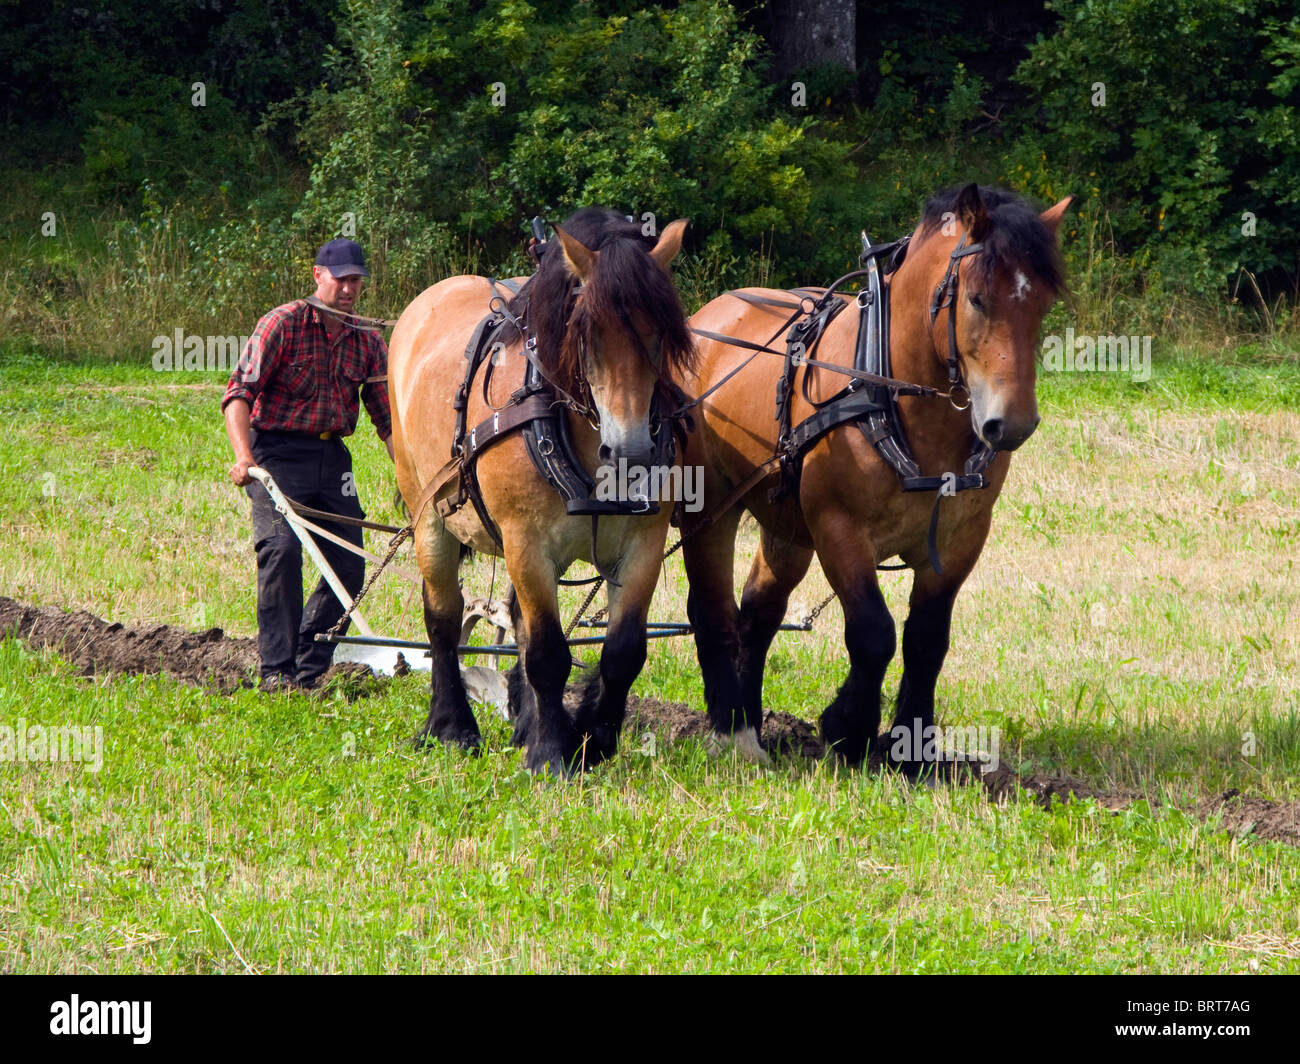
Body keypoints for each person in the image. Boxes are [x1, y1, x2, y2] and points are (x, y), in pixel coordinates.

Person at [222, 238, 395, 691]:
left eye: (357, 280)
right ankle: (276, 672)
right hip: (276, 453)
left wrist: (413, 477)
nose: (350, 288)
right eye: (342, 279)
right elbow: (238, 394)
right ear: (319, 276)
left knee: (349, 564)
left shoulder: (368, 340)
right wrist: (244, 458)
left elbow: (387, 420)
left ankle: (309, 662)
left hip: (331, 458)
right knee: (281, 551)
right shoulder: (283, 323)